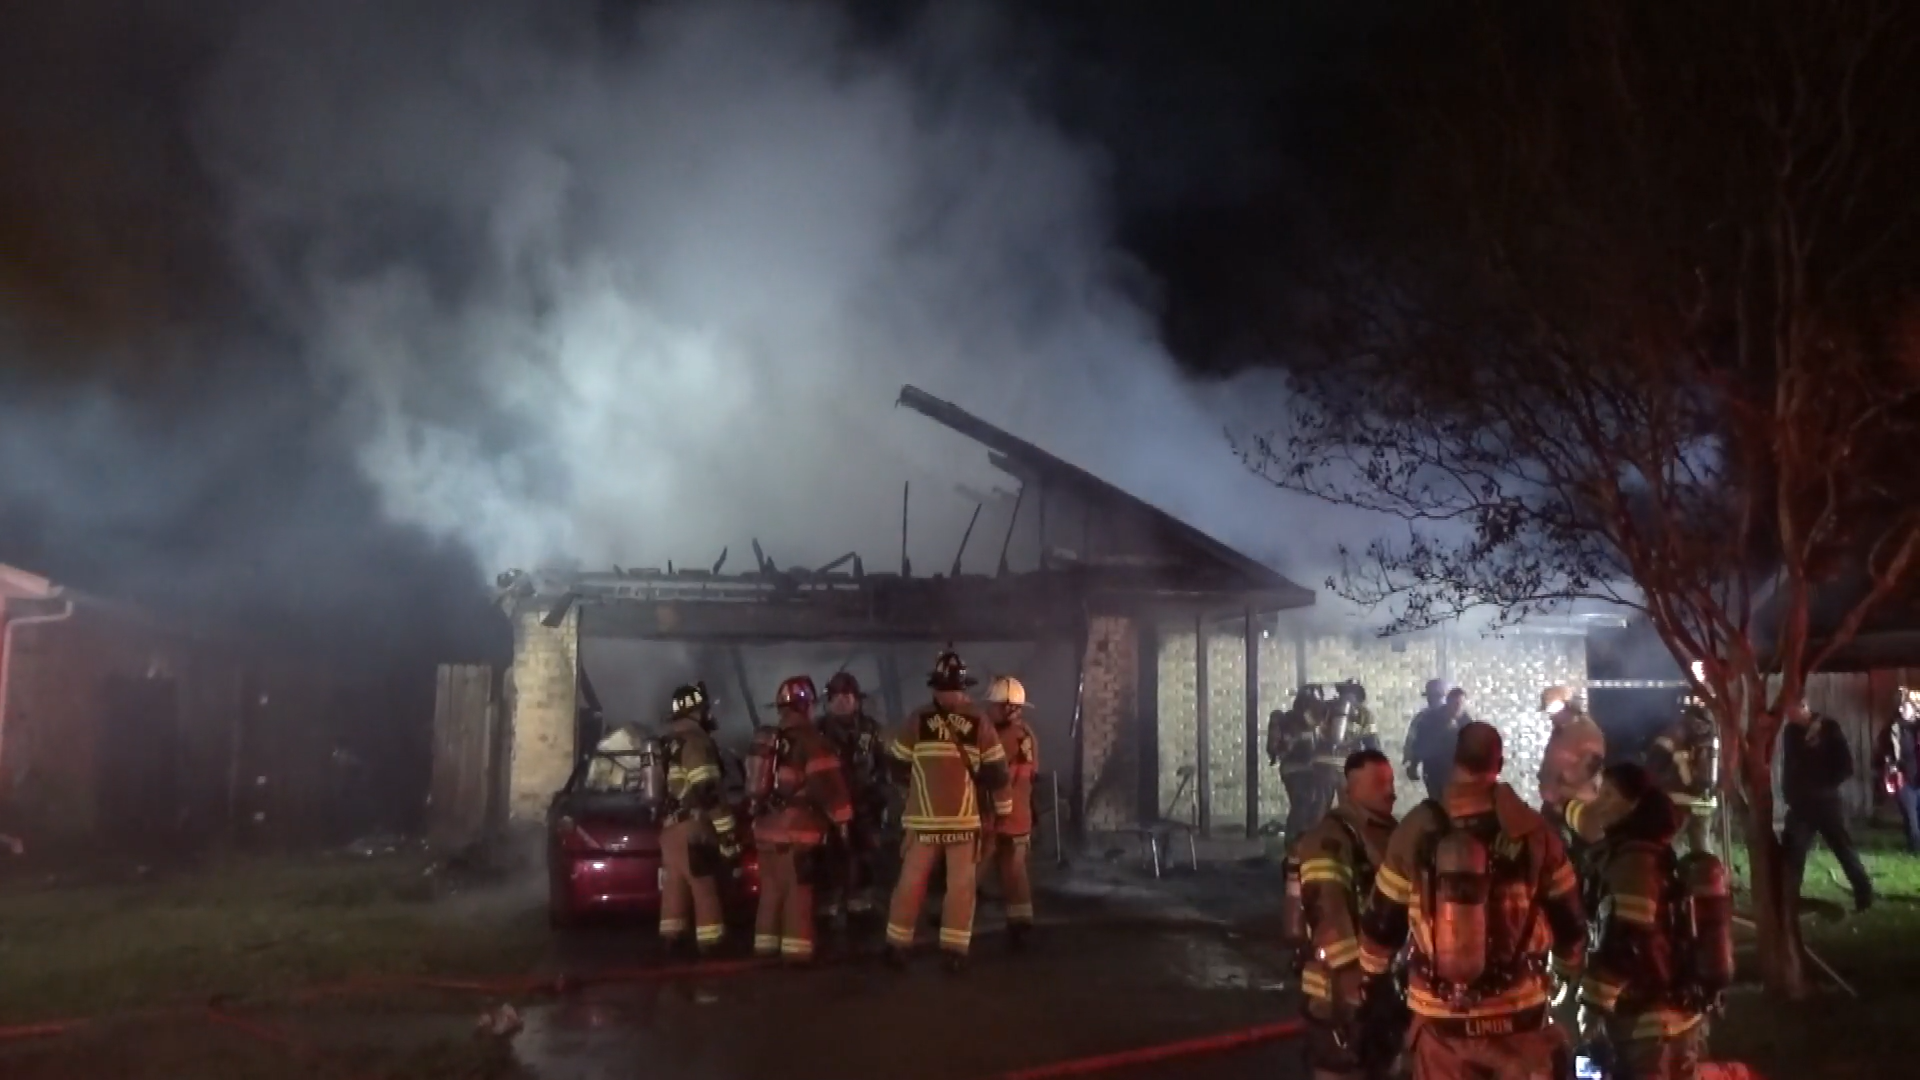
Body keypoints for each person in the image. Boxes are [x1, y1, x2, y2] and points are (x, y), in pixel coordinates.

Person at [1360, 722, 1587, 1079]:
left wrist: (1371, 983)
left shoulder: (1417, 828)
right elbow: (1570, 920)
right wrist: (1565, 972)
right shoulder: (1535, 832)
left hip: (1441, 1020)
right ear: (1499, 763)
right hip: (1520, 1014)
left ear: (1455, 760)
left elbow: (1382, 923)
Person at [1579, 763, 1713, 1080]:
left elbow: (1626, 940)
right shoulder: (1640, 852)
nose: (1598, 803)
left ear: (1634, 804)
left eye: (1608, 794)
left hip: (1652, 1027)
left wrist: (1593, 1005)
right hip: (1667, 1021)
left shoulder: (1634, 862)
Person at [883, 649, 1011, 973]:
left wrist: (917, 787)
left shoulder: (917, 719)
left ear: (934, 687)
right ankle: (954, 950)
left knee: (911, 882)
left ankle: (897, 945)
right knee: (961, 888)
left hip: (922, 821)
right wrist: (1000, 810)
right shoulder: (979, 721)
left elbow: (896, 766)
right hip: (964, 822)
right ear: (963, 687)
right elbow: (997, 773)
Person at [1293, 749, 1403, 1080]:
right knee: (1341, 1067)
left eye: (1391, 782)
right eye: (1380, 783)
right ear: (1350, 789)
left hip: (1382, 986)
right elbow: (1326, 908)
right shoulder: (1331, 838)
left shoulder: (1390, 834)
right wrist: (1349, 975)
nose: (1391, 791)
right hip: (1337, 991)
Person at [747, 676, 854, 965]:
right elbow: (830, 788)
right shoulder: (813, 742)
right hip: (797, 834)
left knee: (771, 893)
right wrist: (843, 821)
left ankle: (764, 949)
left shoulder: (766, 740)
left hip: (765, 832)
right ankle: (797, 956)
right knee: (798, 895)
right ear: (806, 706)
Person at [658, 683, 741, 958]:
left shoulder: (668, 742)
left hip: (670, 830)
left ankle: (672, 940)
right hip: (693, 830)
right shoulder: (695, 741)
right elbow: (707, 791)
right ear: (695, 711)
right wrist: (727, 832)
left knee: (674, 887)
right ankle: (712, 944)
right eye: (704, 708)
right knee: (704, 887)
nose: (708, 714)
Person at [1781, 698, 1873, 913]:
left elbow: (1845, 765)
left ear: (1804, 706)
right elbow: (1790, 764)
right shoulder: (1791, 732)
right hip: (1801, 804)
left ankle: (1864, 895)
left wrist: (1823, 784)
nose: (1789, 715)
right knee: (1793, 851)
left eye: (1792, 710)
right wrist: (1790, 791)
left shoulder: (1828, 729)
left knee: (1843, 848)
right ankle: (1789, 900)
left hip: (1826, 802)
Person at [817, 671, 888, 925]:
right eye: (836, 697)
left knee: (866, 853)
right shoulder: (817, 732)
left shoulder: (871, 730)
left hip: (865, 804)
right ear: (828, 701)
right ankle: (828, 908)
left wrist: (881, 796)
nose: (842, 701)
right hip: (828, 807)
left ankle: (861, 906)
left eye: (847, 696)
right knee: (829, 856)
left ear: (857, 700)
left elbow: (884, 765)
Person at [983, 674, 1041, 951]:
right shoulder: (1027, 735)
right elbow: (1032, 776)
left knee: (971, 870)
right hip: (1020, 818)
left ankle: (955, 923)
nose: (990, 711)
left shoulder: (998, 737)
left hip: (995, 817)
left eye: (994, 706)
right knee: (1015, 872)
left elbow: (989, 777)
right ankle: (1021, 922)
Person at [1645, 694, 1719, 853]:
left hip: (1678, 801)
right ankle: (1708, 875)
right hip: (1704, 802)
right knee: (1702, 849)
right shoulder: (1712, 734)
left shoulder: (1677, 730)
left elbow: (1655, 763)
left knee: (1671, 847)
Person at [1872, 686, 1920, 854]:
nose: (1901, 708)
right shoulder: (1892, 729)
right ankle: (1915, 850)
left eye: (1905, 705)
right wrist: (1888, 765)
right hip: (1903, 780)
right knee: (1911, 818)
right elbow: (1880, 754)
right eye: (1900, 706)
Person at [1271, 689, 1323, 840]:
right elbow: (1282, 748)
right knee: (1301, 804)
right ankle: (1292, 841)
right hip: (1293, 769)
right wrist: (1298, 737)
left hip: (1312, 769)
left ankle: (1307, 841)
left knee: (1315, 806)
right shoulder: (1289, 721)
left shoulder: (1317, 722)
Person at [1406, 684, 1469, 804]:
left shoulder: (1466, 722)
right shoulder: (1429, 719)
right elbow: (1420, 743)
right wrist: (1413, 765)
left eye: (1460, 705)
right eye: (1454, 704)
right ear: (1448, 702)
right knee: (1439, 804)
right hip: (1434, 771)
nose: (1457, 708)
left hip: (1455, 773)